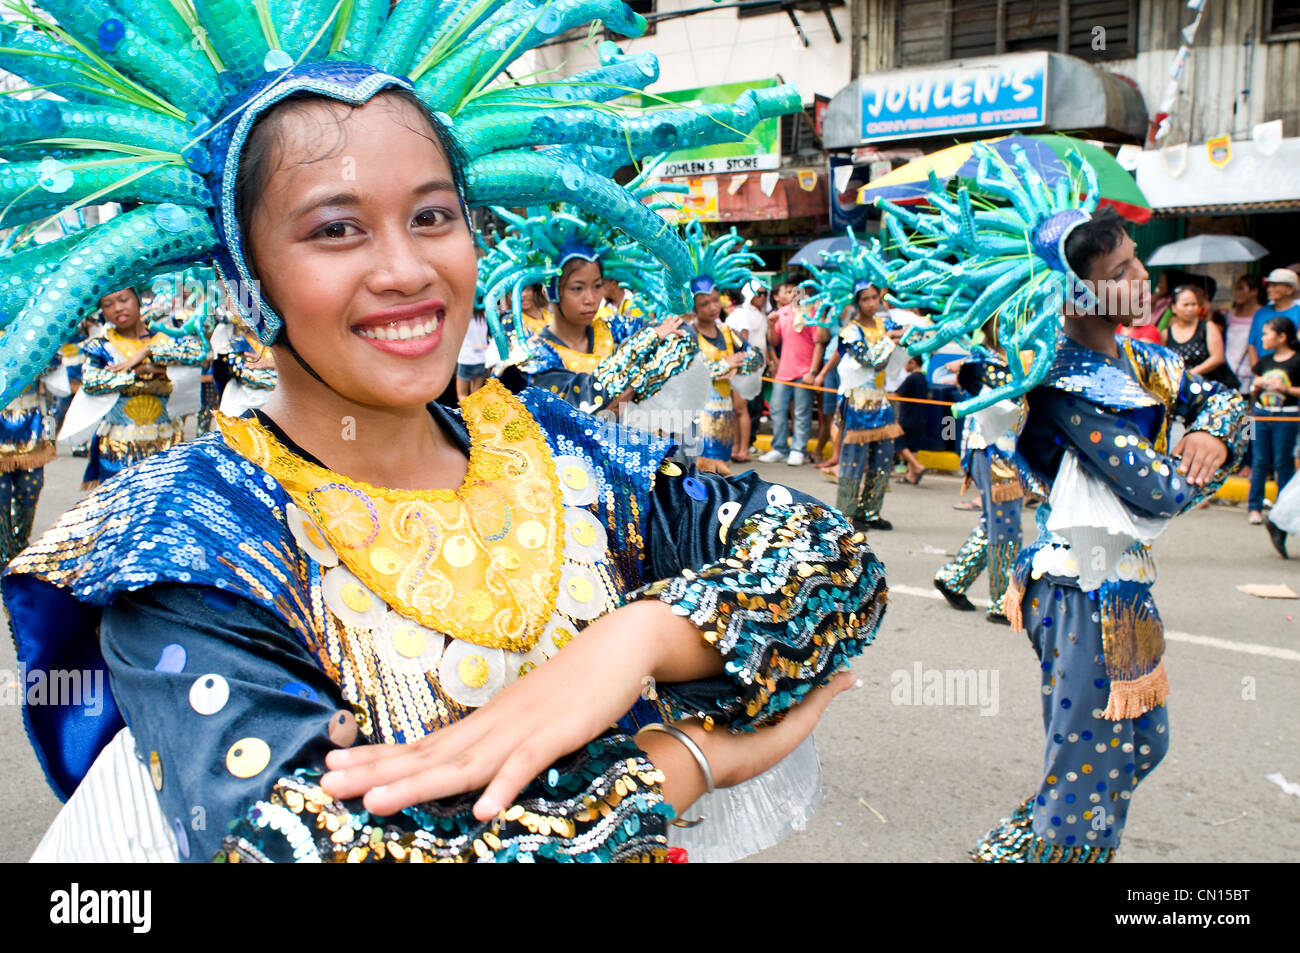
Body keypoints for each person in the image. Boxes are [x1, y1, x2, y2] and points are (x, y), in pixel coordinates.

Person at [2, 5, 876, 865]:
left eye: (431, 216)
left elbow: (832, 559)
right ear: (246, 285)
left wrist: (637, 636)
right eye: (335, 229)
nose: (407, 270)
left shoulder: (558, 446)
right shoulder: (193, 536)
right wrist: (673, 767)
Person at [876, 145, 1246, 862]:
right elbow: (1158, 489)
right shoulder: (1066, 383)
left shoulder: (1142, 358)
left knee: (1142, 742)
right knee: (1089, 780)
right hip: (1081, 592)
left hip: (1126, 585)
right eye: (1121, 274)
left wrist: (1212, 434)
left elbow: (1225, 400)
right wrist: (1200, 456)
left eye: (1138, 262)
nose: (1145, 279)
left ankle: (1018, 847)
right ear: (1078, 295)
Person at [932, 320, 1033, 624]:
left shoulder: (1015, 360)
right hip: (994, 453)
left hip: (1004, 453)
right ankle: (1002, 603)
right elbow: (1008, 399)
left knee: (994, 523)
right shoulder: (982, 363)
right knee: (1007, 528)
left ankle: (953, 578)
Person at [76, 286, 207, 490]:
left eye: (123, 300)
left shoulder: (164, 337)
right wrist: (134, 375)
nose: (118, 308)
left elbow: (199, 353)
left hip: (167, 443)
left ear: (138, 301)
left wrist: (147, 353)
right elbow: (91, 381)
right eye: (108, 305)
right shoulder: (101, 345)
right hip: (119, 446)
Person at [806, 257, 903, 532]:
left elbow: (908, 343)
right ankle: (846, 514)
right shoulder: (850, 331)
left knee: (883, 458)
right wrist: (891, 341)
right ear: (856, 302)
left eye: (875, 297)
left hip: (880, 401)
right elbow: (869, 358)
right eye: (865, 299)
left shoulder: (885, 325)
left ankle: (870, 511)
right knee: (852, 460)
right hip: (855, 403)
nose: (872, 304)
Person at [680, 226, 765, 475]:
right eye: (704, 303)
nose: (712, 307)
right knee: (700, 479)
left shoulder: (728, 332)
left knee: (722, 480)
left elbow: (755, 357)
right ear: (693, 306)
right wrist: (726, 364)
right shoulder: (688, 334)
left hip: (724, 418)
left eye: (716, 300)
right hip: (697, 419)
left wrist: (738, 363)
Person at [1247, 316, 1300, 524]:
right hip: (1261, 414)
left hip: (1287, 415)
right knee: (1259, 461)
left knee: (1282, 462)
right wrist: (1256, 386)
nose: (1262, 339)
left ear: (1282, 337)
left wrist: (1284, 388)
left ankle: (1281, 511)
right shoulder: (1264, 362)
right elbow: (1252, 391)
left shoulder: (1297, 361)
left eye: (1266, 334)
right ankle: (1254, 506)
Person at [760, 283, 821, 466]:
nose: (793, 294)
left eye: (797, 290)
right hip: (784, 371)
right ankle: (779, 448)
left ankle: (798, 449)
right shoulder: (783, 312)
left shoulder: (812, 312)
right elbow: (774, 340)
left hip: (804, 372)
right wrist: (771, 325)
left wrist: (813, 371)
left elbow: (819, 343)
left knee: (802, 412)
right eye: (789, 290)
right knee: (777, 410)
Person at [724, 279, 770, 462]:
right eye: (758, 293)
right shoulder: (743, 313)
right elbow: (743, 339)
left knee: (742, 409)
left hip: (743, 367)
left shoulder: (752, 314)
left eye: (765, 294)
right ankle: (738, 447)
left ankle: (742, 448)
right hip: (740, 367)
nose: (763, 297)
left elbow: (744, 340)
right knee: (739, 409)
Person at [1162, 285, 1238, 390]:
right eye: (1185, 305)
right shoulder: (1166, 334)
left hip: (1210, 388)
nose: (1190, 309)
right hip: (1182, 389)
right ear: (1174, 308)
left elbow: (1217, 358)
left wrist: (1190, 374)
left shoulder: (1208, 327)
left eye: (1193, 304)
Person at [1245, 268, 1300, 368]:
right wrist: (1257, 371)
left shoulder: (1298, 313)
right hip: (1263, 370)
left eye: (1275, 286)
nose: (1269, 289)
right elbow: (1251, 344)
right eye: (1269, 286)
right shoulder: (1261, 312)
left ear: (1289, 289)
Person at [1225, 273, 1264, 393]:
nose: (1237, 292)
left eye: (1241, 288)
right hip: (1229, 370)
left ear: (1254, 291)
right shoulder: (1230, 314)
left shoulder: (1262, 314)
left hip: (1249, 371)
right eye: (1236, 288)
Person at [455, 309, 491, 400]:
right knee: (476, 393)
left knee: (462, 395)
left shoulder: (463, 315)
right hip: (482, 359)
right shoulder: (485, 314)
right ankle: (475, 413)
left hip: (466, 359)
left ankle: (467, 414)